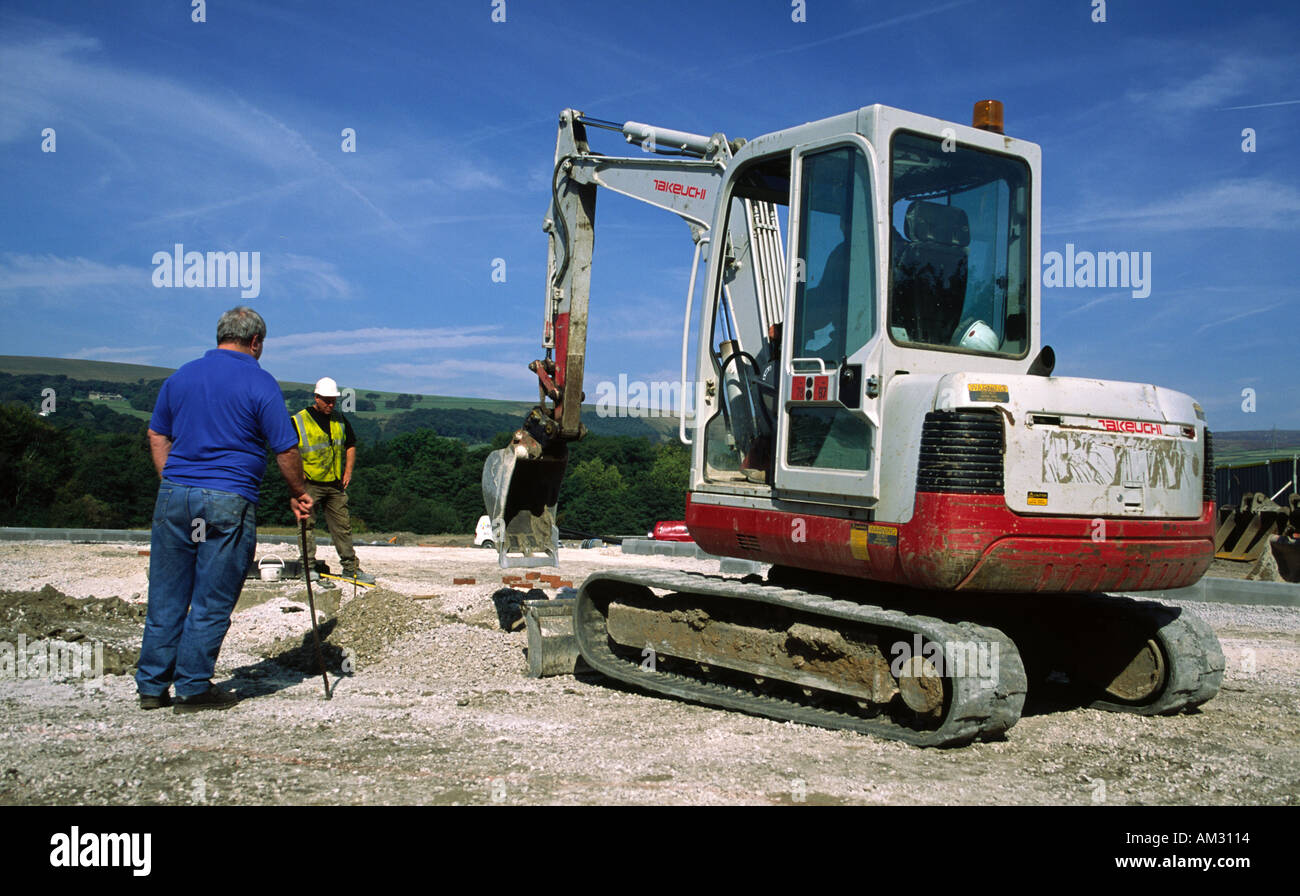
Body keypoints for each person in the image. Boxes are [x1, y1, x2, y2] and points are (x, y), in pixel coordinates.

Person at [137, 307, 312, 713]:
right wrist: (298, 492)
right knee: (212, 598)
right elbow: (284, 447)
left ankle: (151, 687)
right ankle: (193, 688)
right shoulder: (260, 382)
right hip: (227, 499)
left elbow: (156, 432)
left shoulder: (180, 376)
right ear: (255, 342)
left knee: (166, 595)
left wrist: (172, 481)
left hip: (176, 498)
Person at [292, 377, 374, 584]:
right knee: (306, 525)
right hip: (309, 483)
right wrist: (297, 477)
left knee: (342, 526)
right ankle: (307, 568)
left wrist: (348, 472)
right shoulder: (299, 420)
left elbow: (351, 444)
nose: (330, 404)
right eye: (327, 400)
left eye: (333, 400)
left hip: (335, 484)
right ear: (316, 397)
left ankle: (350, 568)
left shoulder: (339, 419)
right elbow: (288, 450)